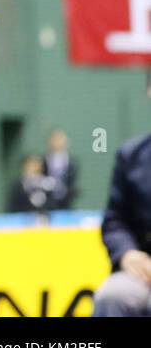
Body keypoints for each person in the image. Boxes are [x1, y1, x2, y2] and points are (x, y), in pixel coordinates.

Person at [93, 100, 151, 316]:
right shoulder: (131, 155)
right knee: (112, 297)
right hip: (141, 267)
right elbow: (114, 221)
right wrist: (127, 254)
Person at [42, 128, 79, 209]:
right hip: (48, 202)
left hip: (66, 202)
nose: (57, 142)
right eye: (55, 139)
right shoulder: (43, 161)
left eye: (60, 139)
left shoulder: (72, 162)